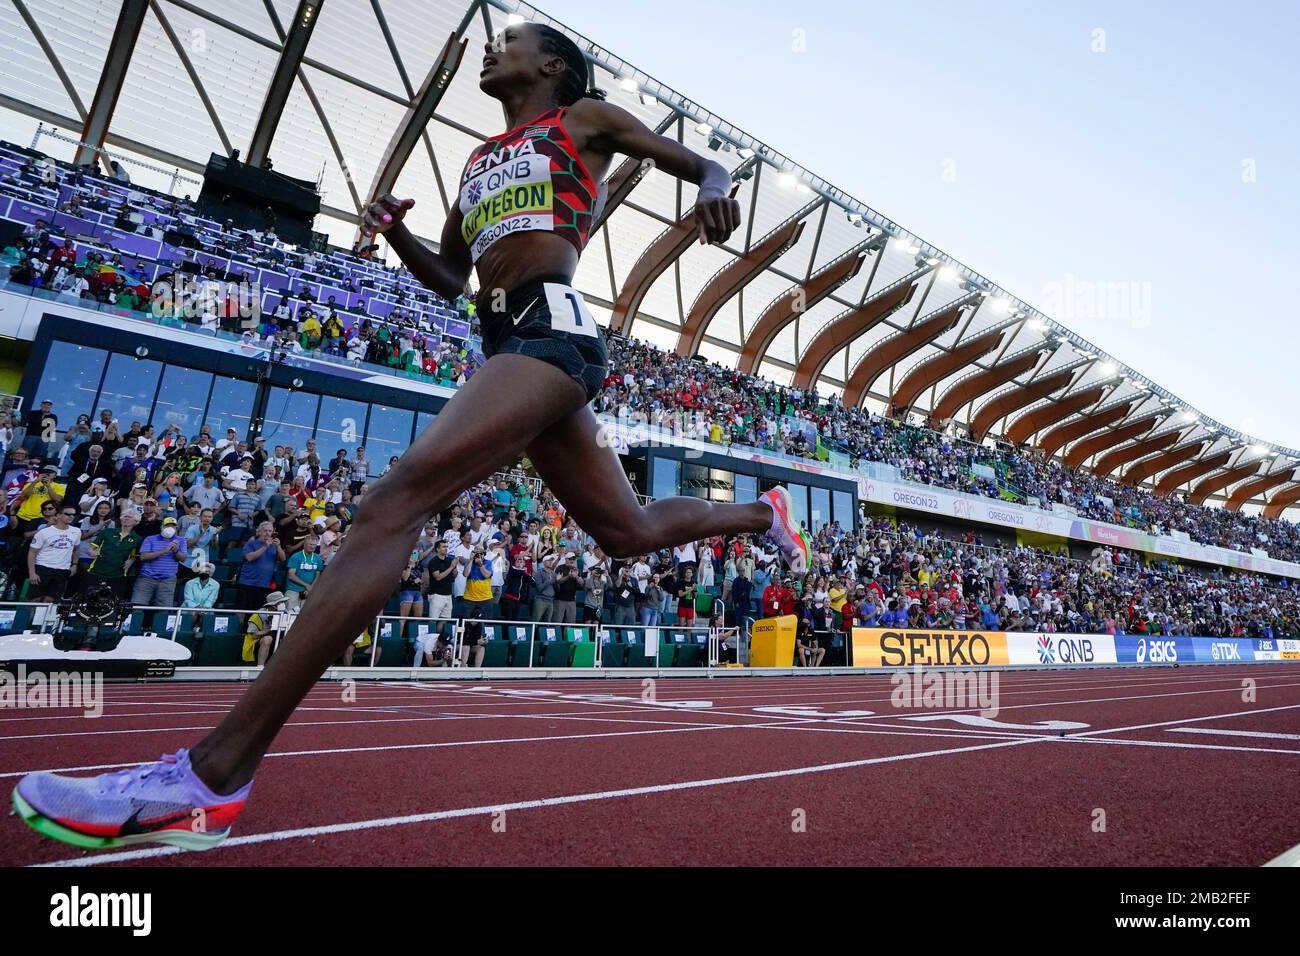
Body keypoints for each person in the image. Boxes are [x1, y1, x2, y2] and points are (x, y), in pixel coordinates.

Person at [12, 21, 811, 851]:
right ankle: (763, 516)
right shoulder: (475, 164)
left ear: (552, 67)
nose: (489, 50)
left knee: (394, 501)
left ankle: (211, 775)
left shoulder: (583, 122)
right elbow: (453, 278)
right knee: (627, 532)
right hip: (506, 341)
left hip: (553, 332)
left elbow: (693, 161)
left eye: (509, 42)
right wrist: (397, 234)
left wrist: (714, 181)